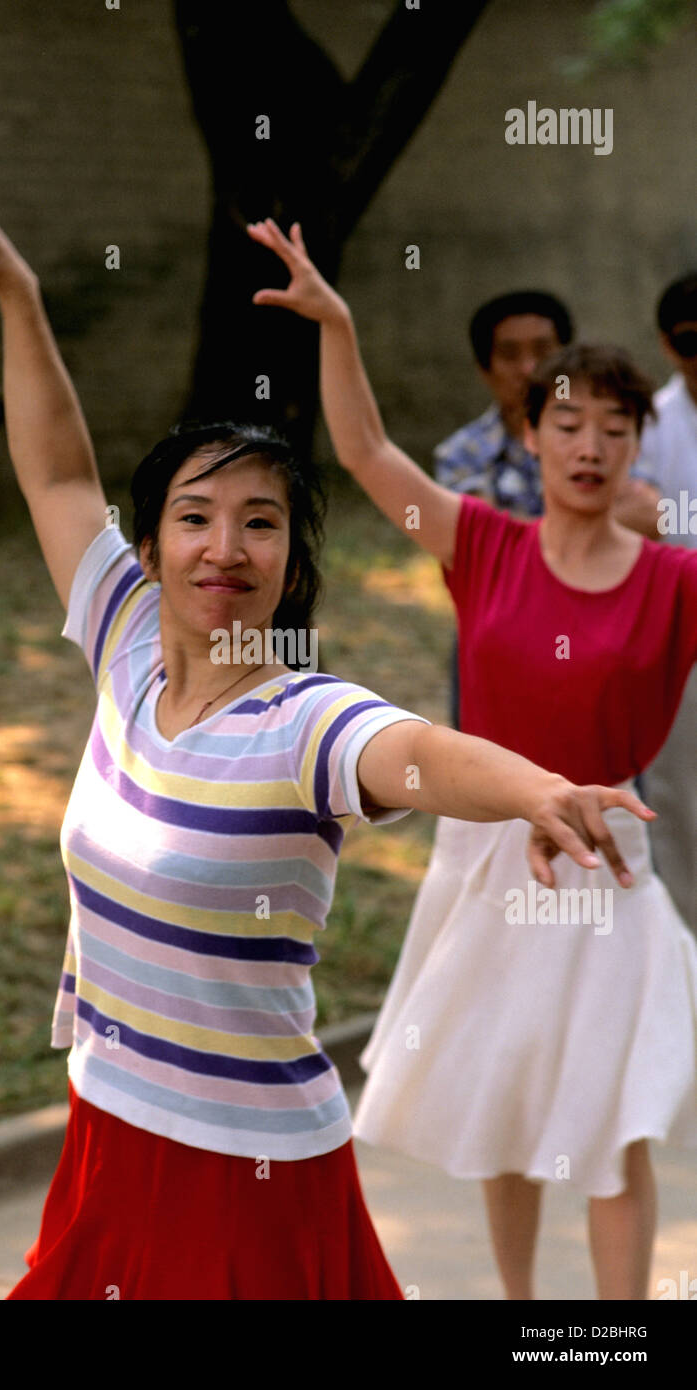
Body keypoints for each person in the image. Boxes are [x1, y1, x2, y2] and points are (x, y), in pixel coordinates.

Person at [0, 184, 650, 1302]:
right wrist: (17, 291)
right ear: (147, 547)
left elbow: (418, 753)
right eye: (195, 516)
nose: (224, 547)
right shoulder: (125, 639)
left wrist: (534, 789)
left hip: (245, 1165)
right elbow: (54, 473)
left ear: (291, 564)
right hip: (108, 1123)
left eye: (262, 522)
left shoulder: (305, 719)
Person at [247, 216, 697, 1301]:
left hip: (602, 862)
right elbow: (363, 455)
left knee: (611, 1120)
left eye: (612, 429)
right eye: (567, 423)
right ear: (529, 438)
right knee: (508, 1112)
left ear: (637, 446)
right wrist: (337, 325)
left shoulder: (674, 579)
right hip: (485, 854)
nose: (588, 446)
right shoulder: (479, 543)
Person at [435, 291, 660, 729]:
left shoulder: (612, 434)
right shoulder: (460, 454)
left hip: (600, 643)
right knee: (487, 781)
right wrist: (594, 526)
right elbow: (478, 553)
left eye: (543, 351)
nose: (528, 368)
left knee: (610, 786)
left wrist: (519, 535)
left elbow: (651, 519)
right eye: (509, 354)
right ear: (484, 368)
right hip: (495, 648)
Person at [636, 273, 697, 938]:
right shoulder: (650, 427)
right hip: (682, 644)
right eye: (690, 342)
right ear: (667, 344)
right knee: (683, 813)